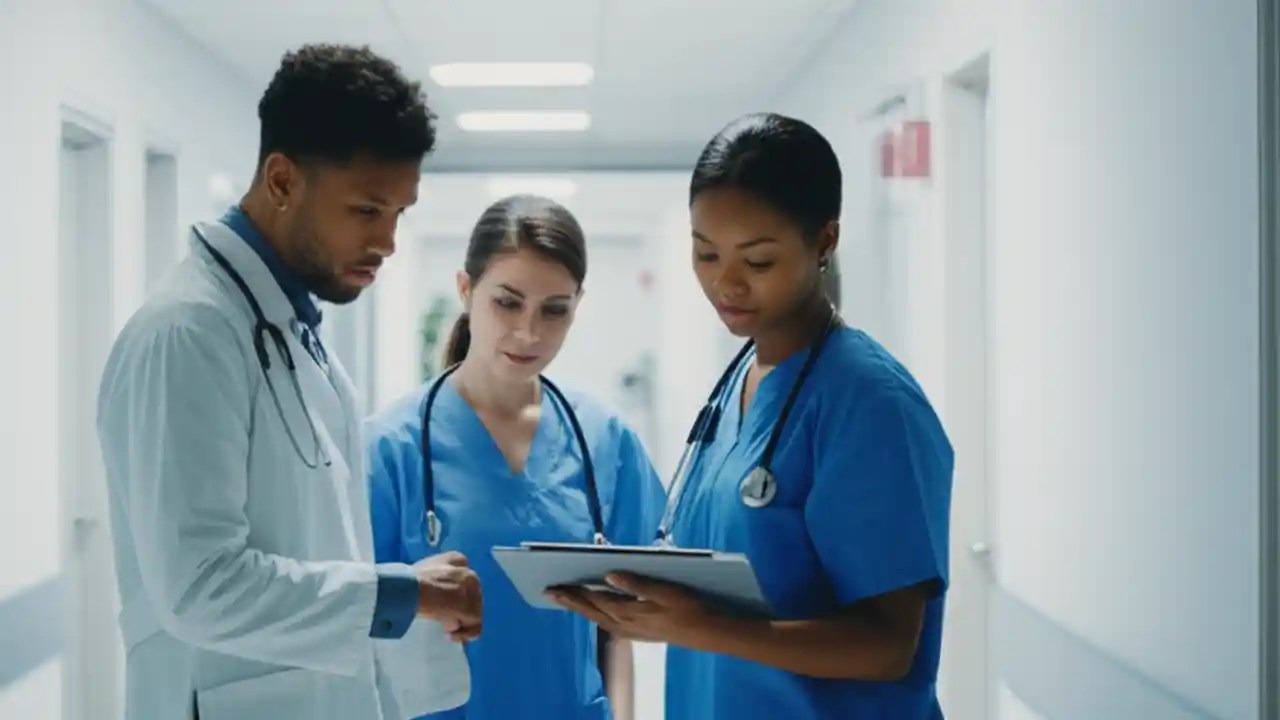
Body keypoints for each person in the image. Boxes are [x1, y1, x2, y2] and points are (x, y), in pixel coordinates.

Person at [96, 44, 482, 720]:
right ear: (281, 181)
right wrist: (400, 594)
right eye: (366, 210)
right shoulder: (188, 333)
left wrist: (404, 600)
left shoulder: (286, 327)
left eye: (399, 213)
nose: (388, 241)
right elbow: (200, 587)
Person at [552, 112, 954, 719]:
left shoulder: (870, 404)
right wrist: (645, 607)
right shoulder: (741, 379)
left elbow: (888, 646)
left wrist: (697, 626)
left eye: (758, 261)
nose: (726, 283)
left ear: (824, 240)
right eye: (706, 254)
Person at [364, 194, 668, 720]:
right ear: (466, 290)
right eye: (507, 303)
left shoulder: (604, 439)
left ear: (577, 305)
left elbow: (621, 626)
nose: (529, 332)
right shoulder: (392, 446)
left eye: (555, 310)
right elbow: (357, 622)